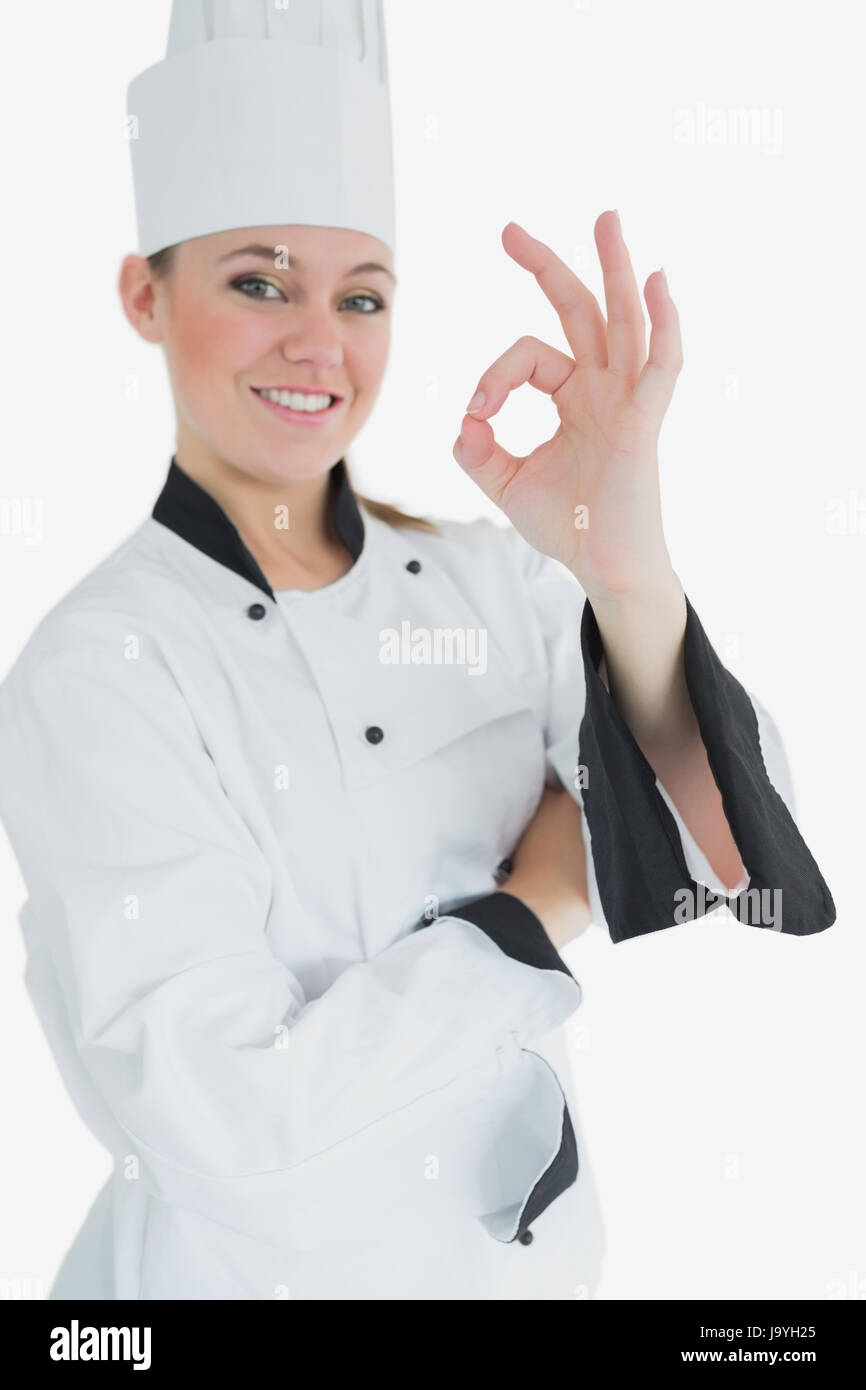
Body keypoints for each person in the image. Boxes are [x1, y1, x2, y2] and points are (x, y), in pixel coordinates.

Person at [0, 0, 834, 1302]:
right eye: (257, 281)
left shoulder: (487, 579)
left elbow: (738, 854)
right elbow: (241, 1133)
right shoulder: (98, 672)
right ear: (142, 295)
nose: (316, 343)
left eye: (363, 294)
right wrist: (537, 905)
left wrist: (625, 568)